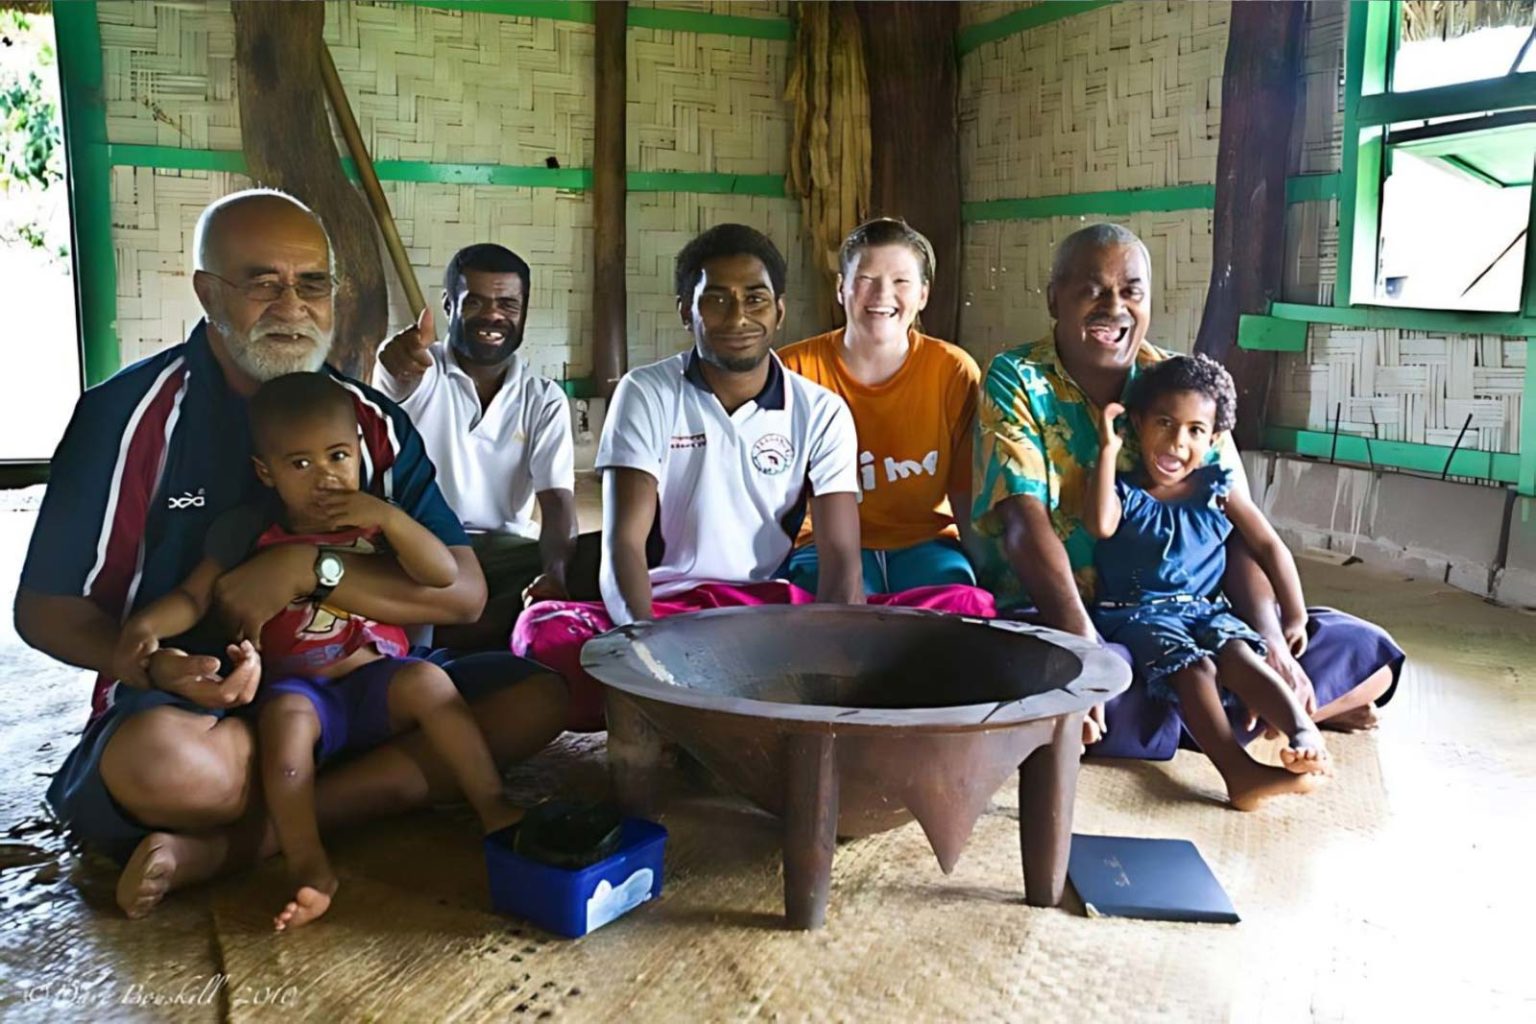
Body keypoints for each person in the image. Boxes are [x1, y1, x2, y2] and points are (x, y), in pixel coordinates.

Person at [16, 189, 566, 919]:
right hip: (207, 709)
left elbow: (460, 595)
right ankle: (346, 797)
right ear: (208, 293)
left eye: (312, 283)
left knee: (539, 698)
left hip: (362, 682)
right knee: (165, 767)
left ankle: (245, 842)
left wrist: (315, 571)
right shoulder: (129, 415)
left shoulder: (370, 423)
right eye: (262, 282)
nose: (292, 305)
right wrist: (147, 662)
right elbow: (44, 610)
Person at [513, 224, 995, 729]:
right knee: (542, 634)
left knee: (966, 607)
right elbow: (623, 546)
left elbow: (841, 562)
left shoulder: (820, 410)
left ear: (778, 311)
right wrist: (645, 645)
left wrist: (832, 662)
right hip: (663, 609)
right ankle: (708, 707)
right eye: (715, 299)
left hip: (766, 612)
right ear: (685, 309)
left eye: (755, 299)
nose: (738, 317)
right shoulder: (647, 392)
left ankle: (697, 713)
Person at [973, 223, 1403, 758]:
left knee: (1361, 649)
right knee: (1065, 680)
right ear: (1054, 298)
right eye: (1091, 290)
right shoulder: (1017, 377)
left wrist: (1270, 640)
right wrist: (1084, 641)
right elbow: (1022, 521)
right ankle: (1283, 711)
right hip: (1066, 615)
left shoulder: (1182, 385)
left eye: (1131, 291)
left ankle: (1246, 706)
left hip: (1191, 620)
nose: (1114, 308)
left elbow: (1234, 533)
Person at [112, 373, 524, 929]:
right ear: (267, 472)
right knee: (284, 724)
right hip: (298, 688)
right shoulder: (249, 531)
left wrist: (390, 518)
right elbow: (194, 594)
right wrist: (147, 628)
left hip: (375, 675)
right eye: (300, 464)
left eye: (338, 456)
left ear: (358, 451)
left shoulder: (376, 521)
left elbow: (443, 573)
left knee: (432, 685)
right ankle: (308, 863)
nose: (326, 476)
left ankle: (493, 805)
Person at [1085, 355, 1329, 808]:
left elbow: (1270, 546)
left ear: (1214, 439)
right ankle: (1239, 772)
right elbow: (1100, 525)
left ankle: (1301, 729)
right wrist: (1106, 451)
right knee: (1196, 669)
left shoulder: (1217, 488)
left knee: (1240, 651)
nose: (1177, 442)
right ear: (1137, 424)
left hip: (1206, 609)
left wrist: (1293, 615)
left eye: (1196, 430)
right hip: (1137, 614)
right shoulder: (1125, 493)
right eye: (1164, 423)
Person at [373, 243, 599, 651]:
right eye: (475, 302)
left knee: (604, 556)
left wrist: (555, 576)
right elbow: (394, 378)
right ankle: (462, 641)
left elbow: (558, 502)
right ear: (449, 305)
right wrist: (395, 366)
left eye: (508, 304)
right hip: (421, 547)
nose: (493, 315)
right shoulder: (420, 372)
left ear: (524, 310)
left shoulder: (542, 397)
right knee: (420, 578)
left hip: (503, 552)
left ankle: (473, 630)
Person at [778, 218, 981, 594]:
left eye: (901, 281)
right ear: (841, 288)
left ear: (923, 294)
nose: (882, 294)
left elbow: (966, 490)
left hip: (928, 541)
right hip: (820, 544)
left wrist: (990, 574)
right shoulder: (793, 371)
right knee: (828, 615)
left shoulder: (952, 369)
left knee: (958, 602)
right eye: (867, 278)